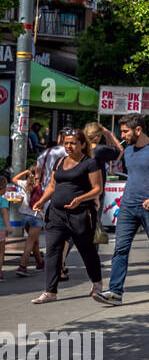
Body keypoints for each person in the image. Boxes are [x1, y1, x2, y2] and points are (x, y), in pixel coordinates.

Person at [97, 114, 149, 306]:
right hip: (127, 206)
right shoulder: (128, 151)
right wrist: (108, 134)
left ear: (138, 130)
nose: (123, 135)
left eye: (125, 131)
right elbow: (117, 153)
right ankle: (116, 292)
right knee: (120, 249)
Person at [29, 128, 105, 304]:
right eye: (66, 143)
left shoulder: (90, 163)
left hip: (80, 214)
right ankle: (50, 292)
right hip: (56, 214)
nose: (69, 146)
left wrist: (79, 199)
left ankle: (97, 282)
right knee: (52, 251)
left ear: (83, 144)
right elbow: (52, 186)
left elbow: (97, 189)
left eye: (73, 143)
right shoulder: (60, 160)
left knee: (87, 250)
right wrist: (41, 201)